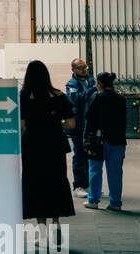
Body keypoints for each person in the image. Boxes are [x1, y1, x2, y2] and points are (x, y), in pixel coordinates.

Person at [19, 60, 76, 234]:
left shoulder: (23, 97)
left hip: (32, 146)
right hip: (54, 144)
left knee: (34, 183)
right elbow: (71, 124)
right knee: (56, 180)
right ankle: (56, 221)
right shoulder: (59, 95)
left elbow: (21, 126)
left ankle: (41, 228)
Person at [83, 71, 128, 211]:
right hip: (118, 139)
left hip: (98, 140)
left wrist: (86, 137)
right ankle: (115, 202)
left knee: (95, 169)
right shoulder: (121, 99)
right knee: (115, 171)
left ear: (100, 83)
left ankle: (93, 200)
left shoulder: (97, 97)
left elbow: (89, 118)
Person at [65, 58, 96, 196]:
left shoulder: (90, 80)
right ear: (73, 69)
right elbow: (75, 99)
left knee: (90, 153)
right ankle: (78, 186)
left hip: (90, 122)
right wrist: (91, 91)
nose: (84, 70)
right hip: (78, 124)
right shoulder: (71, 83)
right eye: (80, 67)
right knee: (79, 154)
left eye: (85, 67)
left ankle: (87, 184)